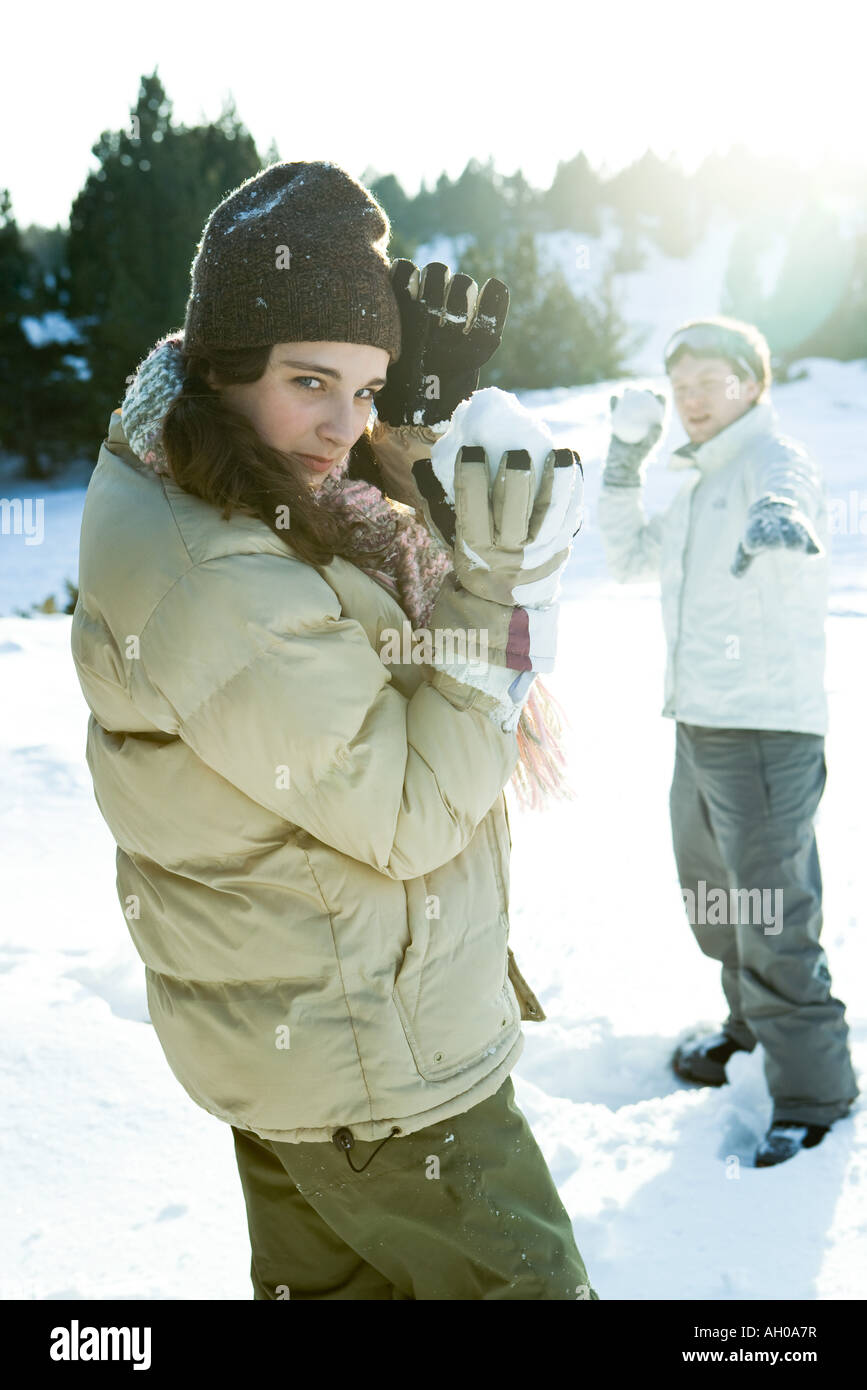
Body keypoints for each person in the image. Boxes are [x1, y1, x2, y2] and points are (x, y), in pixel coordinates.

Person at [69, 160, 596, 1299]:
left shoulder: (213, 472)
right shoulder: (216, 573)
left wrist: (406, 434)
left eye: (367, 389)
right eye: (315, 380)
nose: (344, 426)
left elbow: (357, 603)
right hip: (373, 1068)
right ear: (223, 363)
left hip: (315, 1044)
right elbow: (407, 811)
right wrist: (496, 591)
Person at [597, 315, 858, 1168]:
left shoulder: (771, 463)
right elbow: (631, 558)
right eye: (680, 390)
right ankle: (750, 1029)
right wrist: (624, 465)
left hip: (765, 731)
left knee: (773, 915)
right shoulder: (700, 480)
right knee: (715, 903)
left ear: (753, 383)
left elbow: (792, 488)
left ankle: (814, 1094)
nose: (693, 401)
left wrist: (779, 514)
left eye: (712, 381)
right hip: (700, 724)